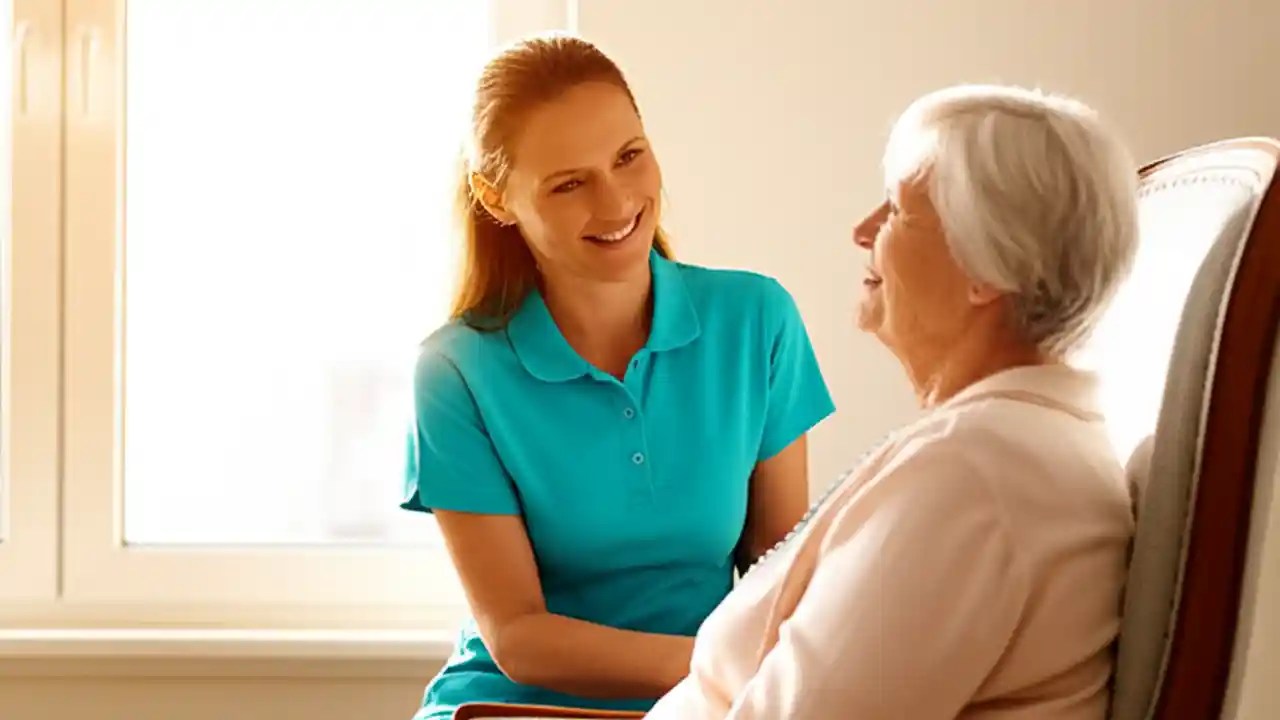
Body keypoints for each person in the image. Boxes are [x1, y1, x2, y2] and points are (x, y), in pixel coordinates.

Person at [643, 84, 1141, 719]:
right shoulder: (997, 448)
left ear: (989, 267)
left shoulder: (978, 477)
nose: (863, 232)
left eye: (899, 213)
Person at [399, 33, 836, 720]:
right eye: (569, 183)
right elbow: (518, 637)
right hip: (515, 708)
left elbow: (782, 579)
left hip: (709, 704)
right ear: (497, 197)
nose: (616, 203)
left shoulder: (756, 321)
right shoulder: (455, 371)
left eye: (629, 157)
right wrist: (717, 666)